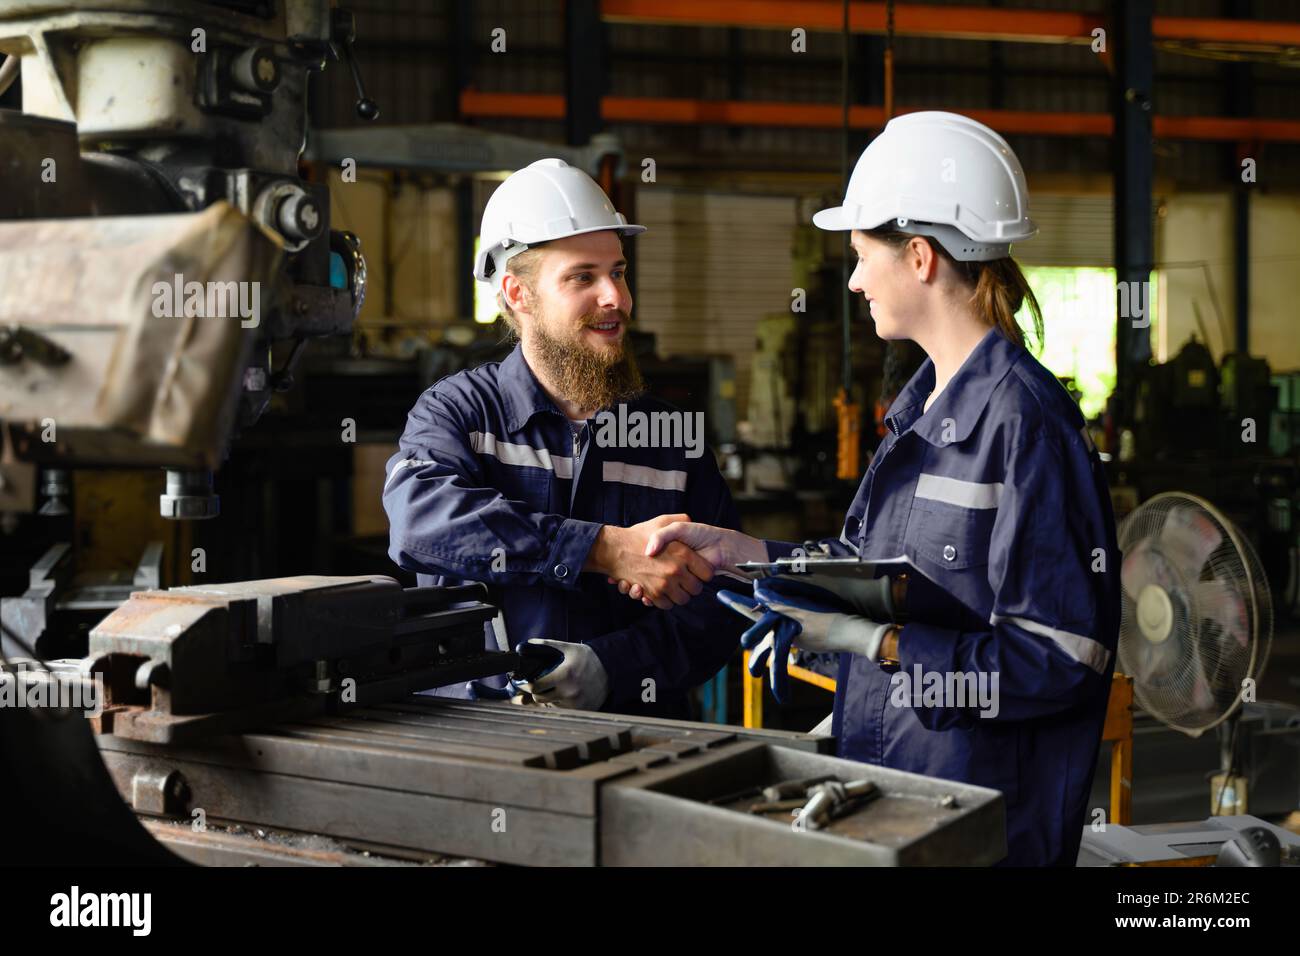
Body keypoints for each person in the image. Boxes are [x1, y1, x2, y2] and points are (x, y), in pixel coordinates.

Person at [620, 113, 1121, 865]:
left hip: (983, 830)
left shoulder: (1025, 424)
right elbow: (875, 575)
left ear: (919, 257)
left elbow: (1059, 664)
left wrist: (878, 645)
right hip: (896, 805)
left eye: (860, 255)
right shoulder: (920, 408)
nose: (852, 279)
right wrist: (747, 555)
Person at [382, 159, 742, 717]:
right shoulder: (459, 412)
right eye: (583, 277)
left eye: (618, 272)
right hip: (475, 736)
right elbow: (421, 524)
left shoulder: (670, 437)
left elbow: (722, 600)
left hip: (636, 742)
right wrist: (603, 551)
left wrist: (612, 668)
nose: (616, 298)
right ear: (518, 294)